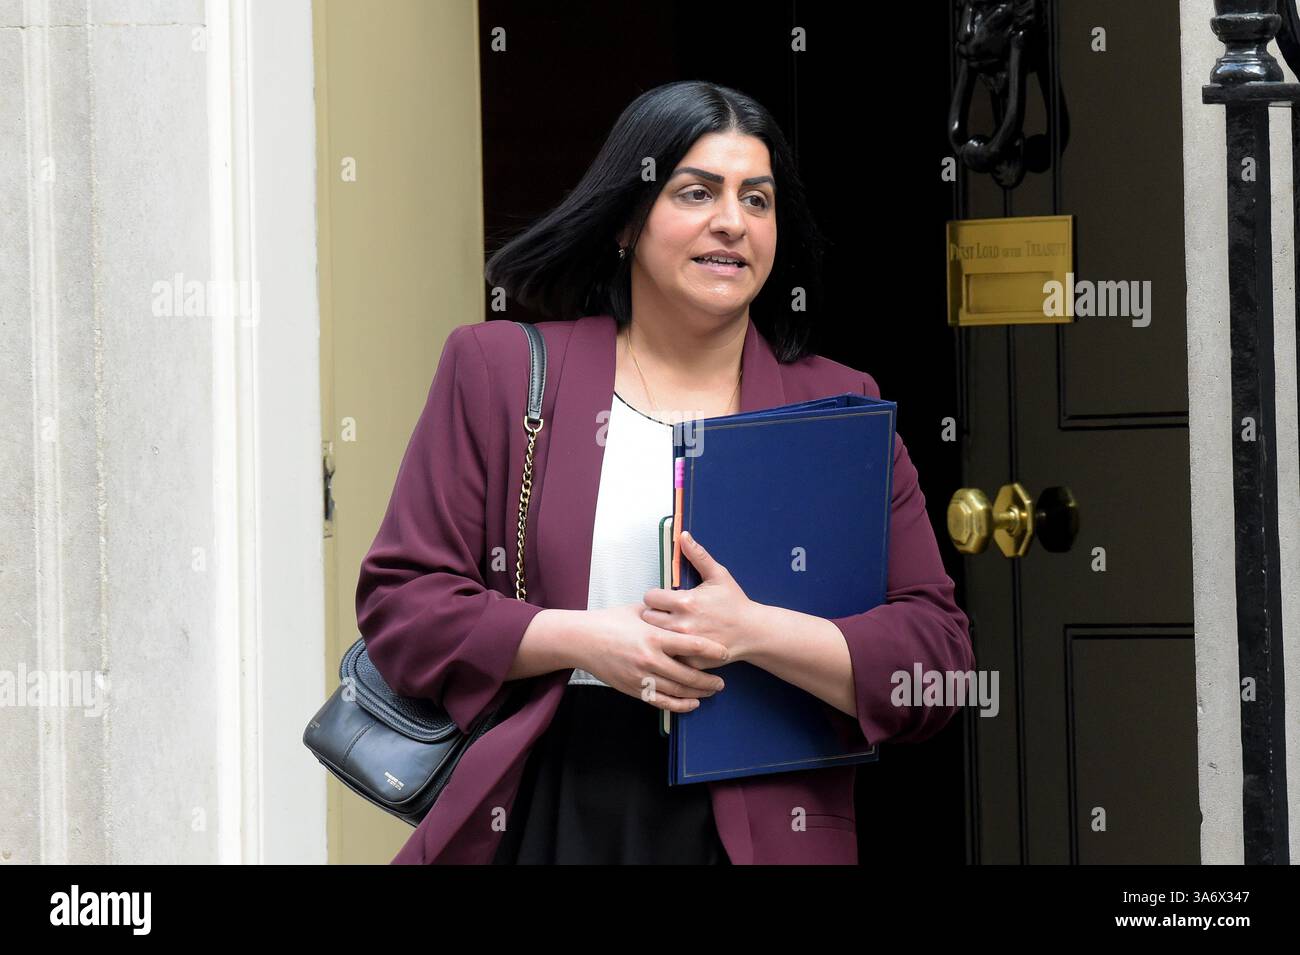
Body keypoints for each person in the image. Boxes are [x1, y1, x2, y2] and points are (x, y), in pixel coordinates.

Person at [355, 80, 974, 865]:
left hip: (757, 827)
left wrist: (755, 633)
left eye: (757, 199)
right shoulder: (501, 372)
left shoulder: (837, 406)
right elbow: (403, 605)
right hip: (552, 809)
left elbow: (938, 658)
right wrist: (580, 639)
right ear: (625, 220)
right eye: (696, 192)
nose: (732, 221)